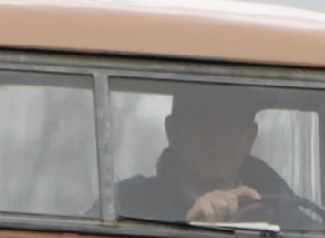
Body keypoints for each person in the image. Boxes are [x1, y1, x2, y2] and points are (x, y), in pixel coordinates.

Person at [114, 86, 303, 224]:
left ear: (250, 137)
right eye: (201, 124)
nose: (217, 138)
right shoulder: (126, 205)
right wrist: (188, 226)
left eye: (231, 125)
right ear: (173, 132)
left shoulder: (283, 210)